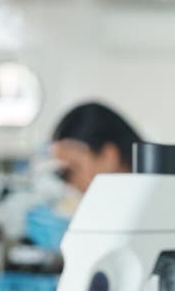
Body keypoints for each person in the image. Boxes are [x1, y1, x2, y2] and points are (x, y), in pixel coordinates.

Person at [25, 102, 142, 249]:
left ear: (108, 156)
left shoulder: (154, 210)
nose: (68, 182)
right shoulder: (112, 211)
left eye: (73, 168)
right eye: (62, 175)